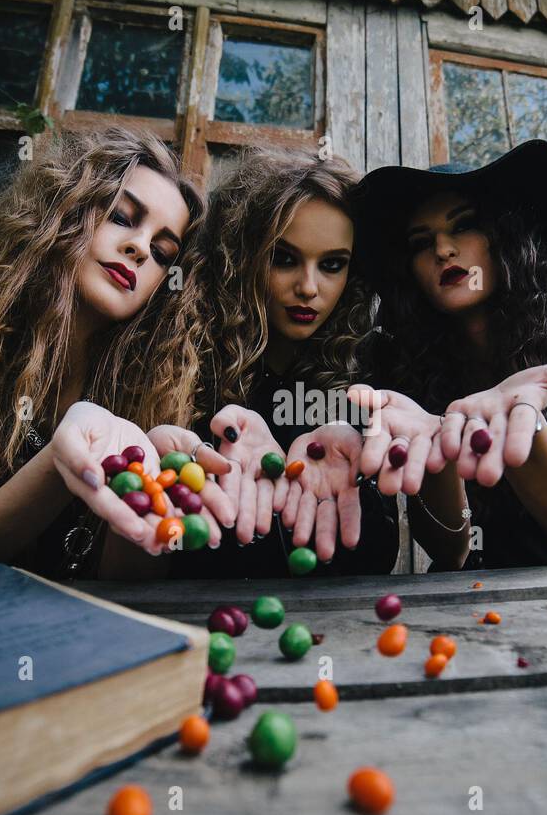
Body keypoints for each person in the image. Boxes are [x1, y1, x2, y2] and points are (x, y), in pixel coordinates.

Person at [0, 125, 234, 580]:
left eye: (163, 252)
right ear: (62, 211)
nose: (140, 249)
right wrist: (64, 461)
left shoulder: (156, 368)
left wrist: (147, 485)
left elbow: (126, 584)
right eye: (121, 218)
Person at [351, 140, 547, 569]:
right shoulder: (397, 367)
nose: (443, 249)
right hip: (461, 599)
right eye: (420, 242)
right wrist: (437, 451)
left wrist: (519, 422)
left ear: (506, 235)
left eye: (463, 225)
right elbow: (451, 549)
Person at [171, 146, 404, 577]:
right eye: (284, 258)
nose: (309, 288)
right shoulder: (182, 368)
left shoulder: (372, 378)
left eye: (332, 264)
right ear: (242, 258)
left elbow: (384, 553)